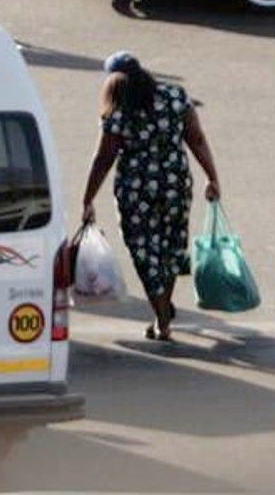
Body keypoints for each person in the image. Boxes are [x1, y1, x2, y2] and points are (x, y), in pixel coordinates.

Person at [79, 52, 222, 342]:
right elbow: (196, 139)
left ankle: (161, 319)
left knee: (145, 252)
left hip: (136, 190)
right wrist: (212, 176)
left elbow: (103, 158)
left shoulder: (118, 111)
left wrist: (88, 198)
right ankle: (163, 309)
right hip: (175, 185)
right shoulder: (175, 97)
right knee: (170, 248)